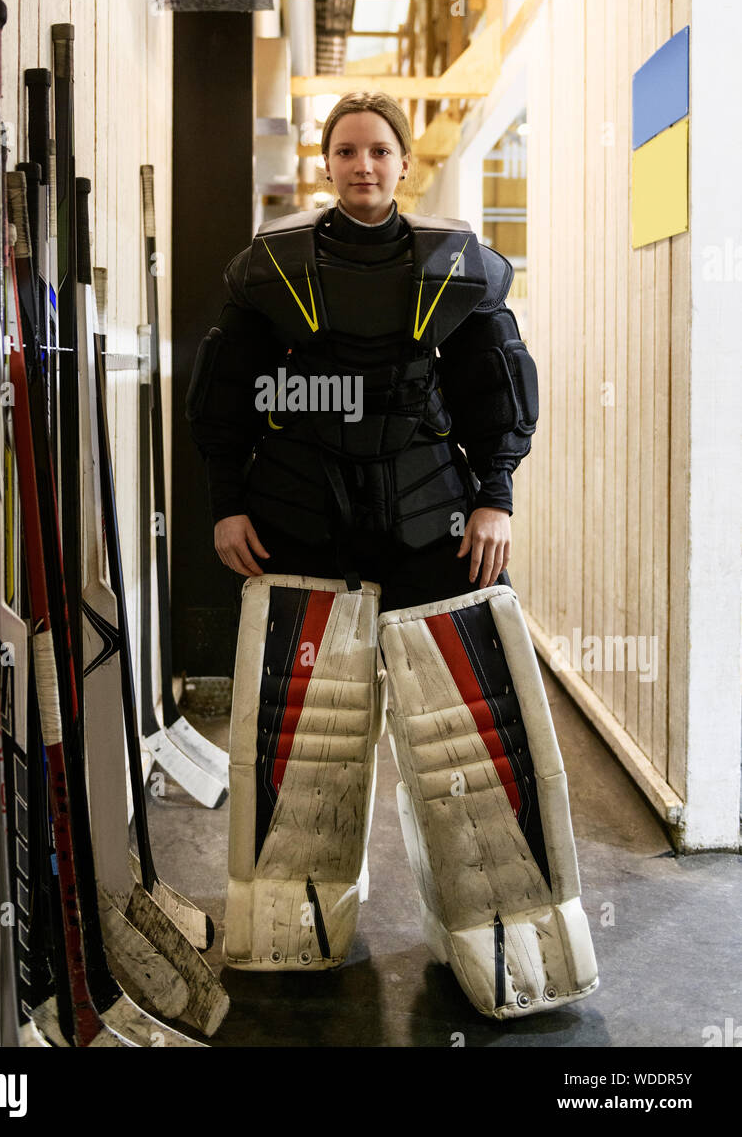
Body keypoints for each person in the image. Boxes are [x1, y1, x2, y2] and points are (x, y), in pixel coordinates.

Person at [186, 92, 598, 1020]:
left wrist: (495, 497)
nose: (363, 165)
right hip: (301, 526)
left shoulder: (460, 271)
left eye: (378, 151)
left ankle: (506, 933)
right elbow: (225, 404)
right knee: (304, 739)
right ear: (323, 164)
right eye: (346, 151)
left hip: (433, 531)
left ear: (401, 163)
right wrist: (225, 505)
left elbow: (499, 396)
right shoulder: (271, 270)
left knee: (473, 740)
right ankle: (292, 925)